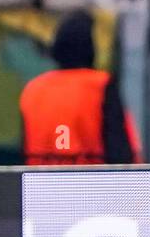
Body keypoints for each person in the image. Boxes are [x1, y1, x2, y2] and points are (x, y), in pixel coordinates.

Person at [19, 11, 139, 165]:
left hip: (38, 185)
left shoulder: (33, 89)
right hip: (92, 184)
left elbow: (23, 151)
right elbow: (119, 149)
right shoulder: (100, 85)